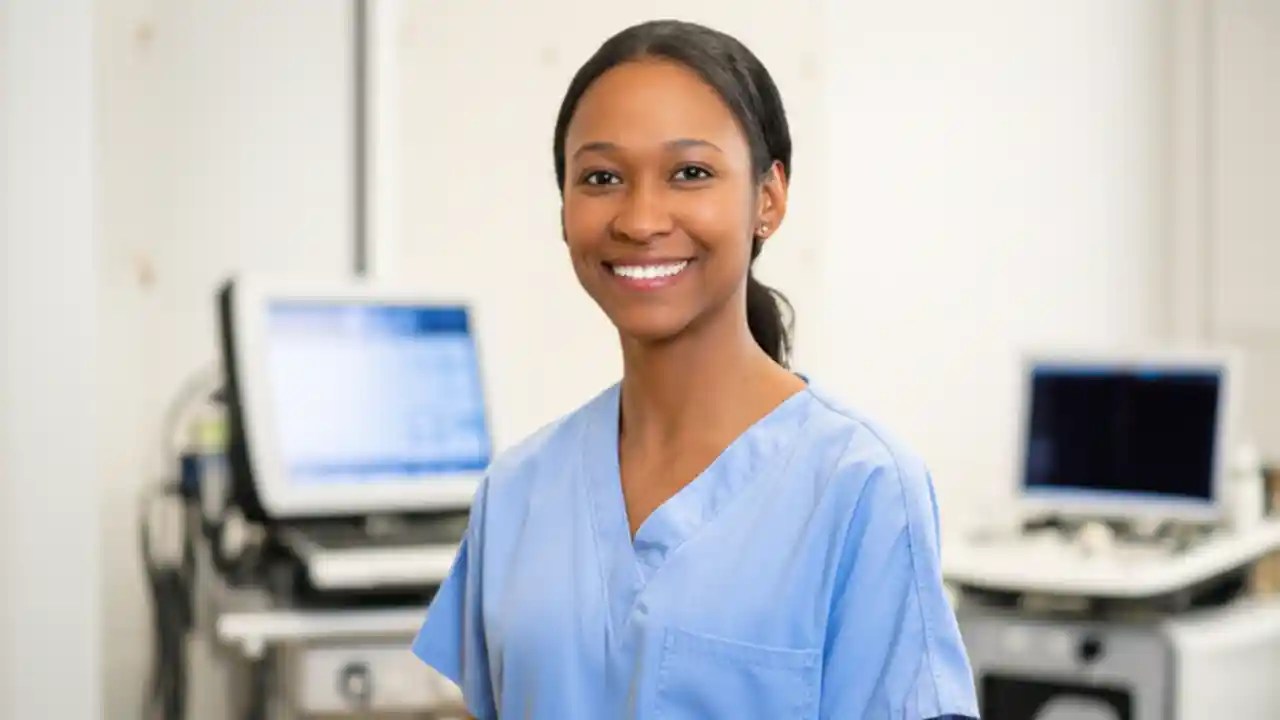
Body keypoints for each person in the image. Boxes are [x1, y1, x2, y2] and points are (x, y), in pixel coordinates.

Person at [412, 19, 980, 720]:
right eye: (601, 177)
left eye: (691, 173)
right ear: (564, 209)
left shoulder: (860, 486)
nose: (641, 218)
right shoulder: (518, 492)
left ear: (768, 199)